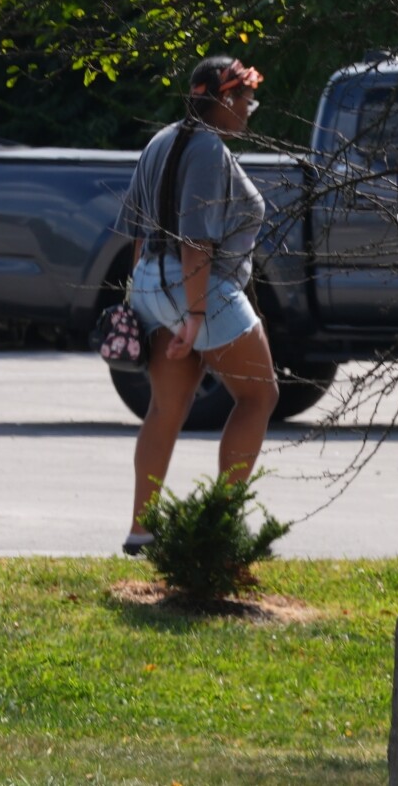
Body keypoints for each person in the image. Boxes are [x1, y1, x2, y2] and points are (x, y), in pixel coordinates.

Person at [116, 56, 279, 555]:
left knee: (166, 407)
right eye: (246, 98)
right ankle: (220, 528)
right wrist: (195, 316)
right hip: (199, 288)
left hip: (151, 282)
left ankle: (141, 531)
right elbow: (196, 241)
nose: (250, 108)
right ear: (223, 100)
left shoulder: (160, 140)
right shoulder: (208, 149)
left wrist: (142, 300)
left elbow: (140, 233)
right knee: (260, 396)